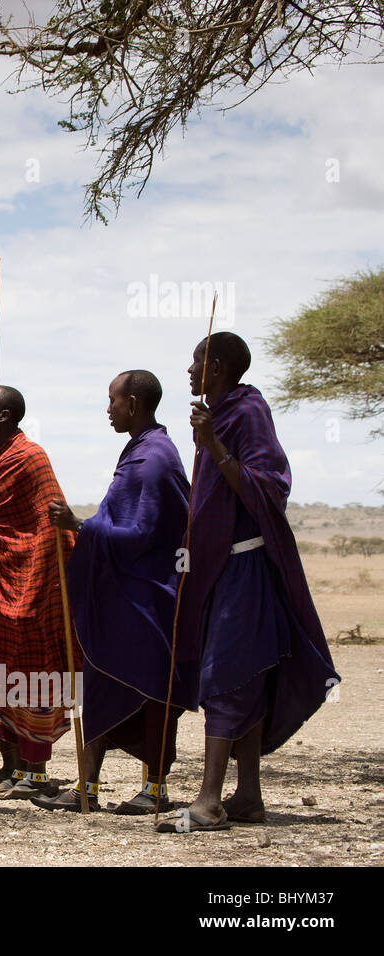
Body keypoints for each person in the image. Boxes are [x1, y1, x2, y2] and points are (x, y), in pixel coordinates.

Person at [157, 333, 339, 833]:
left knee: (225, 678)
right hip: (217, 567)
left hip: (246, 565)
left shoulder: (247, 411)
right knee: (247, 675)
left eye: (196, 362)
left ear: (216, 367)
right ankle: (249, 796)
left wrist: (214, 444)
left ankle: (210, 800)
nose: (189, 371)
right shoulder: (219, 414)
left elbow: (271, 485)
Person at [37, 370, 190, 813]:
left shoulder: (154, 458)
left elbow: (141, 531)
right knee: (101, 681)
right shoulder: (139, 451)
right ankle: (88, 785)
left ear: (135, 403)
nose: (108, 409)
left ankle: (155, 790)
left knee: (153, 692)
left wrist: (78, 526)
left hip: (149, 597)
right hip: (123, 595)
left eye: (113, 400)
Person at [0, 384, 76, 799]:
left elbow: (48, 526)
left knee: (37, 675)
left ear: (5, 416)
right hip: (2, 580)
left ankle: (36, 773)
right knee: (5, 673)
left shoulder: (29, 456)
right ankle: (19, 770)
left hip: (36, 583)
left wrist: (30, 587)